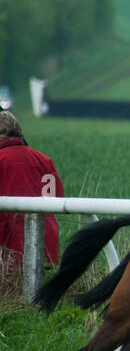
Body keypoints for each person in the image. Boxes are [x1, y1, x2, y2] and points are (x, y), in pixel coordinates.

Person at [0, 111, 64, 272]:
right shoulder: (43, 159)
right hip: (46, 246)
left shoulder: (1, 159)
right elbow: (58, 197)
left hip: (9, 249)